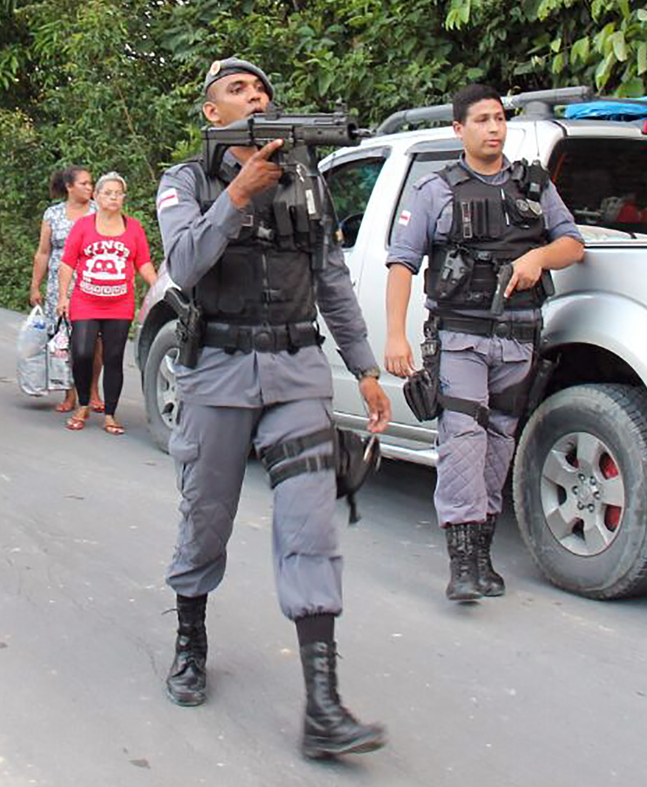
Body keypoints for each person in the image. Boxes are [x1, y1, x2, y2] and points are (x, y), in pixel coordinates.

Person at [155, 57, 390, 760]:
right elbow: (183, 265)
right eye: (237, 89)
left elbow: (332, 282)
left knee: (310, 527)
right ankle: (191, 638)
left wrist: (366, 369)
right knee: (206, 518)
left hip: (295, 373)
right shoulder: (186, 181)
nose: (255, 95)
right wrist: (236, 199)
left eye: (261, 87)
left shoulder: (306, 181)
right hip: (216, 372)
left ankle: (323, 705)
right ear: (211, 114)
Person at [382, 84, 585, 601]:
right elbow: (402, 262)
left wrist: (539, 258)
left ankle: (483, 554)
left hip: (519, 338)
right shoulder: (436, 190)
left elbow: (571, 242)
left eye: (499, 119)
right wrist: (394, 336)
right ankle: (462, 565)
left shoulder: (532, 186)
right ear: (459, 130)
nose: (494, 128)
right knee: (463, 444)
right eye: (481, 120)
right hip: (461, 337)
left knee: (499, 446)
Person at [57, 172, 156, 435]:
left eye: (118, 193)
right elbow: (67, 262)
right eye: (108, 193)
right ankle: (83, 404)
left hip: (119, 304)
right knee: (82, 353)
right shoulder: (83, 226)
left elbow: (143, 262)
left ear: (123, 197)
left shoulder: (133, 227)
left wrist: (157, 289)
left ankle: (110, 414)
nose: (113, 197)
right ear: (96, 196)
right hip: (85, 301)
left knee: (113, 358)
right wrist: (62, 297)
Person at [30, 166, 102, 412]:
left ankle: (93, 390)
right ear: (69, 187)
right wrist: (34, 286)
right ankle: (69, 393)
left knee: (94, 341)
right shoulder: (53, 214)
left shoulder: (98, 211)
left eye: (91, 183)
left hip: (91, 281)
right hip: (58, 285)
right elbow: (43, 252)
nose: (89, 188)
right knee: (64, 341)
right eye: (83, 183)